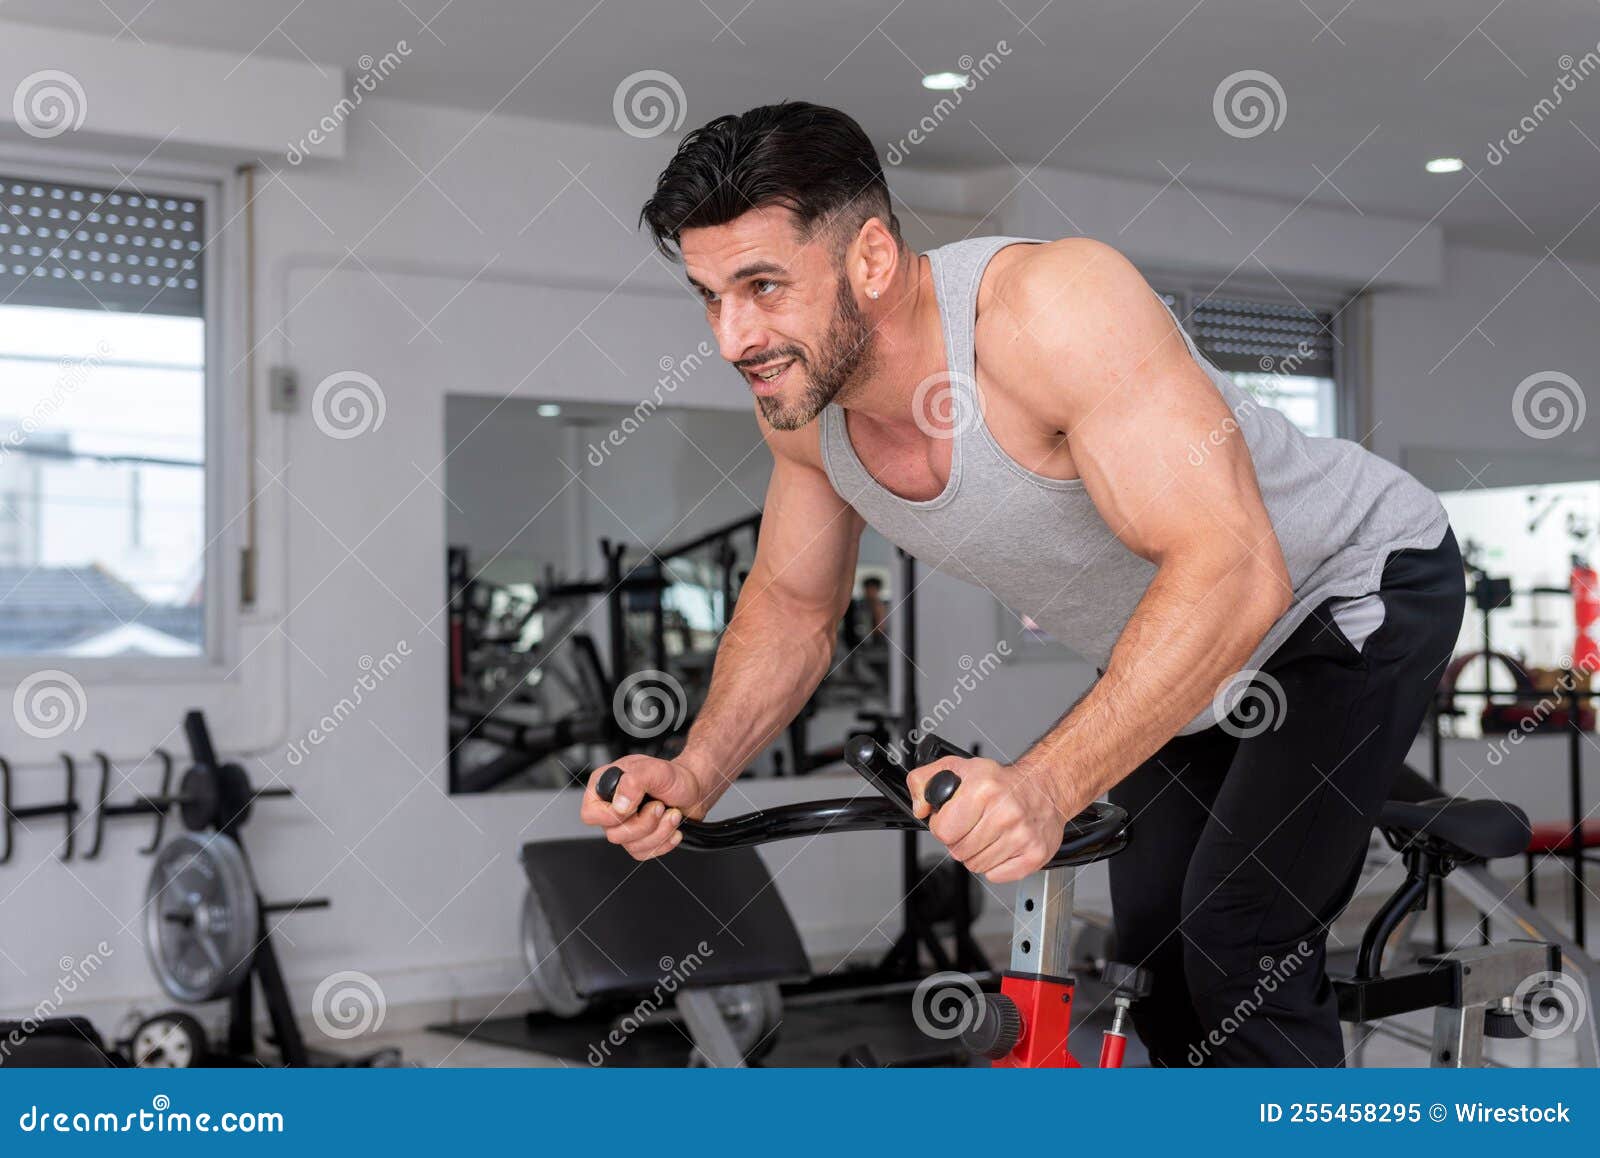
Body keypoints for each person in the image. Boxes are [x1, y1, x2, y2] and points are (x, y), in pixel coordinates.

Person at [579, 102, 1464, 1067]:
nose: (731, 337)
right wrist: (697, 771)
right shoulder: (803, 416)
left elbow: (1234, 567)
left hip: (1342, 588)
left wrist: (1045, 785)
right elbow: (794, 608)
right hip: (1190, 649)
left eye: (761, 286)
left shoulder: (1050, 309)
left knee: (1239, 938)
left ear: (870, 258)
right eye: (711, 296)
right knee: (1157, 961)